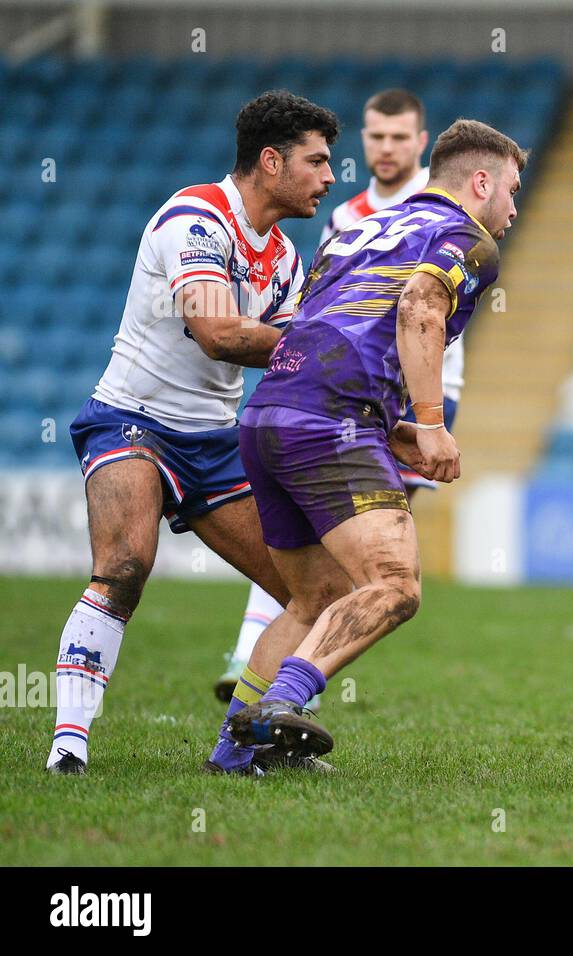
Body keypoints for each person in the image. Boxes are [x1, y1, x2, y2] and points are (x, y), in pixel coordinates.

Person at [205, 120, 525, 768]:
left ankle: (234, 755)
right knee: (395, 585)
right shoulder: (468, 238)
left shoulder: (357, 231)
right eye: (512, 191)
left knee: (314, 597)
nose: (514, 209)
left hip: (268, 415)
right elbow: (418, 310)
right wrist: (431, 422)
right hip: (329, 421)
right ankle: (279, 707)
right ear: (481, 181)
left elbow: (309, 328)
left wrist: (386, 423)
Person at [47, 91, 342, 775]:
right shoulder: (195, 219)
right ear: (270, 161)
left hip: (215, 443)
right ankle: (68, 747)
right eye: (317, 161)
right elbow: (219, 334)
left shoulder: (289, 260)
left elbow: (292, 358)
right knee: (126, 563)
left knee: (314, 589)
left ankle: (250, 742)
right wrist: (321, 348)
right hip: (133, 421)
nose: (331, 176)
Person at [213, 88, 467, 702]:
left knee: (328, 577)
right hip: (344, 402)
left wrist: (426, 412)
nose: (386, 148)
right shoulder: (348, 213)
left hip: (379, 397)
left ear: (421, 144)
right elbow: (383, 310)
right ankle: (285, 692)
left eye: (400, 137)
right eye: (375, 136)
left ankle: (261, 710)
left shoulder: (431, 208)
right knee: (383, 580)